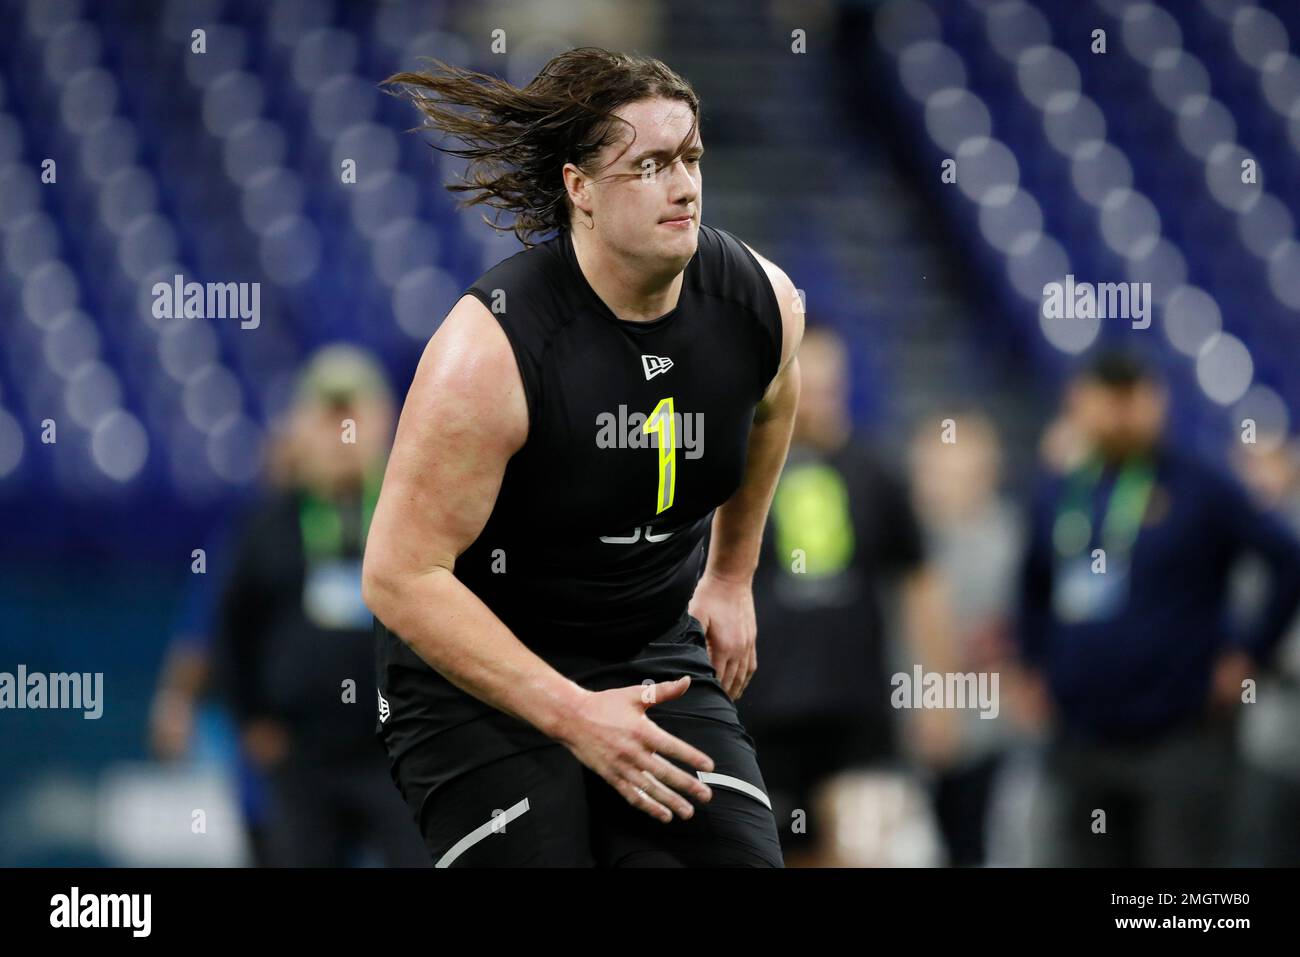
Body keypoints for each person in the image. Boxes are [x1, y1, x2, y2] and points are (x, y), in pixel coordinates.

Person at [364, 48, 804, 867]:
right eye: (649, 165)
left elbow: (777, 402)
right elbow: (398, 575)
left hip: (645, 639)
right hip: (479, 668)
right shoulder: (489, 352)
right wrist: (572, 712)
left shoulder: (760, 303)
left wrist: (733, 576)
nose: (684, 186)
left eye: (691, 158)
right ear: (580, 189)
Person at [1016, 348, 1300, 866]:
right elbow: (1033, 585)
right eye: (1109, 398)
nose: (1122, 414)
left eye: (1134, 398)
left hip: (1178, 733)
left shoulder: (1198, 487)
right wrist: (1032, 665)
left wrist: (1249, 655)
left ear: (1158, 403)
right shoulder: (1059, 493)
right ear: (1078, 405)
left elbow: (1287, 561)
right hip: (1083, 733)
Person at [737, 325, 954, 866]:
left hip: (858, 713)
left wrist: (938, 697)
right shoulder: (743, 468)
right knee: (779, 853)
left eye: (831, 382)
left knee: (862, 850)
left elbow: (919, 584)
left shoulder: (875, 472)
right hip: (764, 709)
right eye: (807, 381)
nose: (820, 396)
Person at [213, 345, 429, 867]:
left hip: (396, 752)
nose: (342, 438)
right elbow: (231, 626)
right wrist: (253, 721)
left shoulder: (415, 520)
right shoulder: (269, 525)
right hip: (302, 754)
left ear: (383, 423)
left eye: (352, 419)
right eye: (328, 421)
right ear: (300, 429)